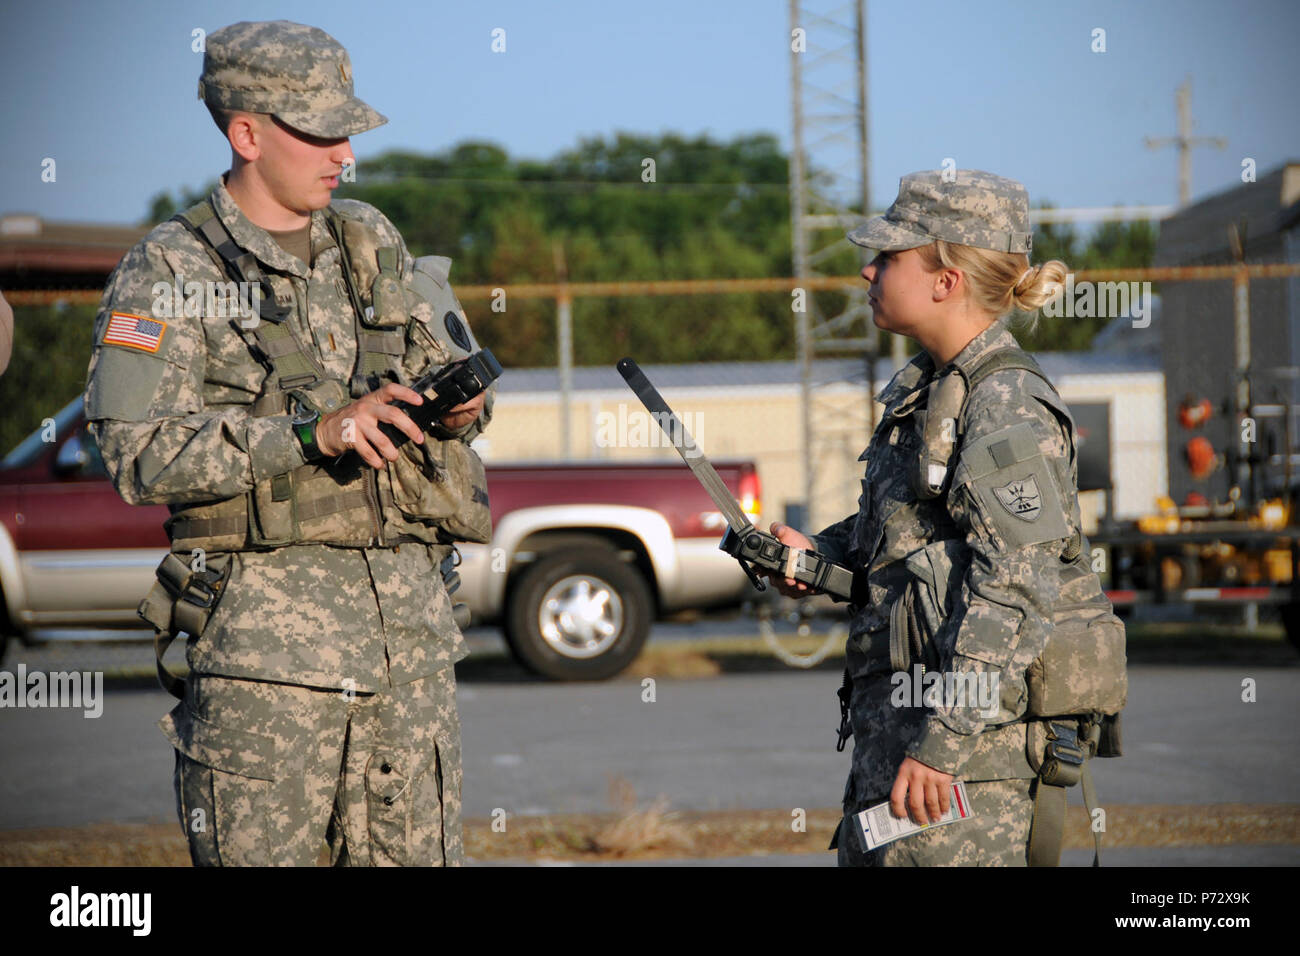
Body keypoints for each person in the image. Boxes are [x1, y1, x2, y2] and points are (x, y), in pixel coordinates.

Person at [84, 20, 492, 866]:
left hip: (408, 662)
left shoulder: (370, 239)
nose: (342, 153)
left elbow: (441, 376)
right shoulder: (168, 272)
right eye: (319, 132)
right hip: (266, 680)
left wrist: (458, 412)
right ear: (246, 133)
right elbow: (133, 452)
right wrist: (312, 433)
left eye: (346, 132)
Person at [768, 168, 1118, 866]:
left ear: (945, 279)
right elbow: (905, 538)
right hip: (901, 753)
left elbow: (1013, 589)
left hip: (960, 776)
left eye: (890, 256)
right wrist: (817, 555)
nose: (868, 269)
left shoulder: (1004, 405)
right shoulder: (934, 393)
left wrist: (943, 744)